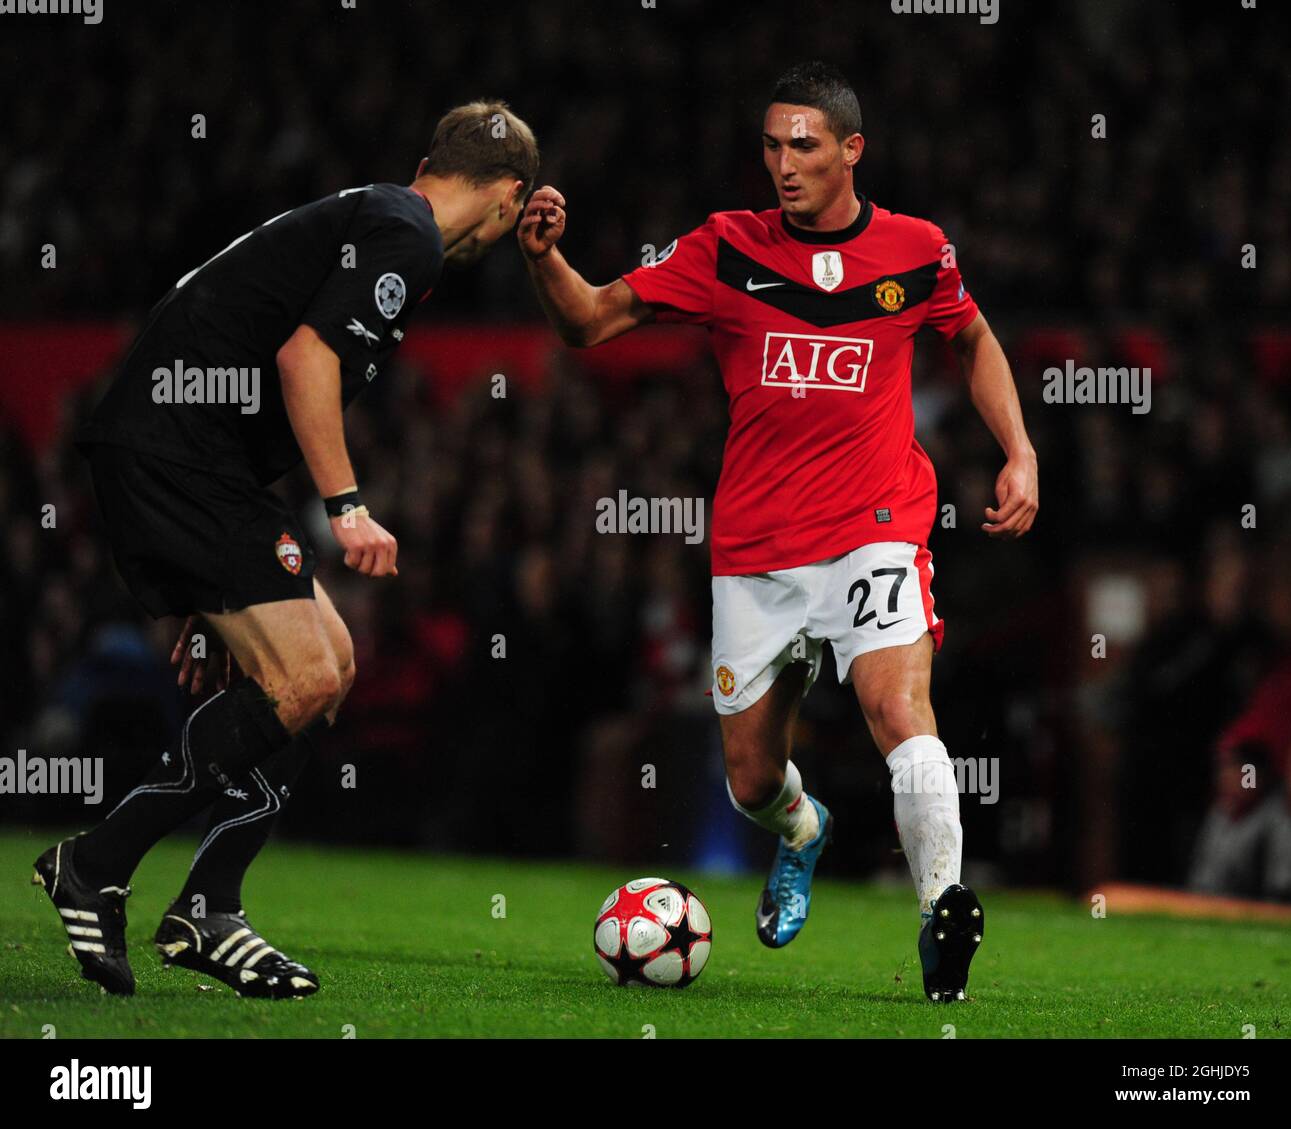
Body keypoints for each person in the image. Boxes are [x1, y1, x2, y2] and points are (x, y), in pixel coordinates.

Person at [518, 63, 1037, 1001]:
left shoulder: (919, 251)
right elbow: (590, 321)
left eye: (804, 145)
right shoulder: (726, 248)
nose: (784, 164)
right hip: (756, 552)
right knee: (752, 778)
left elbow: (971, 336)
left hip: (878, 525)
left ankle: (941, 914)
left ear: (851, 150)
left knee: (899, 709)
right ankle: (803, 830)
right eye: (771, 145)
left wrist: (1020, 450)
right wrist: (544, 256)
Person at [32, 101, 539, 998]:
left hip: (190, 455)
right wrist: (346, 507)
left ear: (431, 159)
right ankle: (95, 861)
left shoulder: (378, 211)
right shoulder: (408, 238)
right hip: (179, 453)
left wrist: (208, 592)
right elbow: (307, 359)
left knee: (331, 667)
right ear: (508, 198)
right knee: (302, 679)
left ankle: (208, 906)